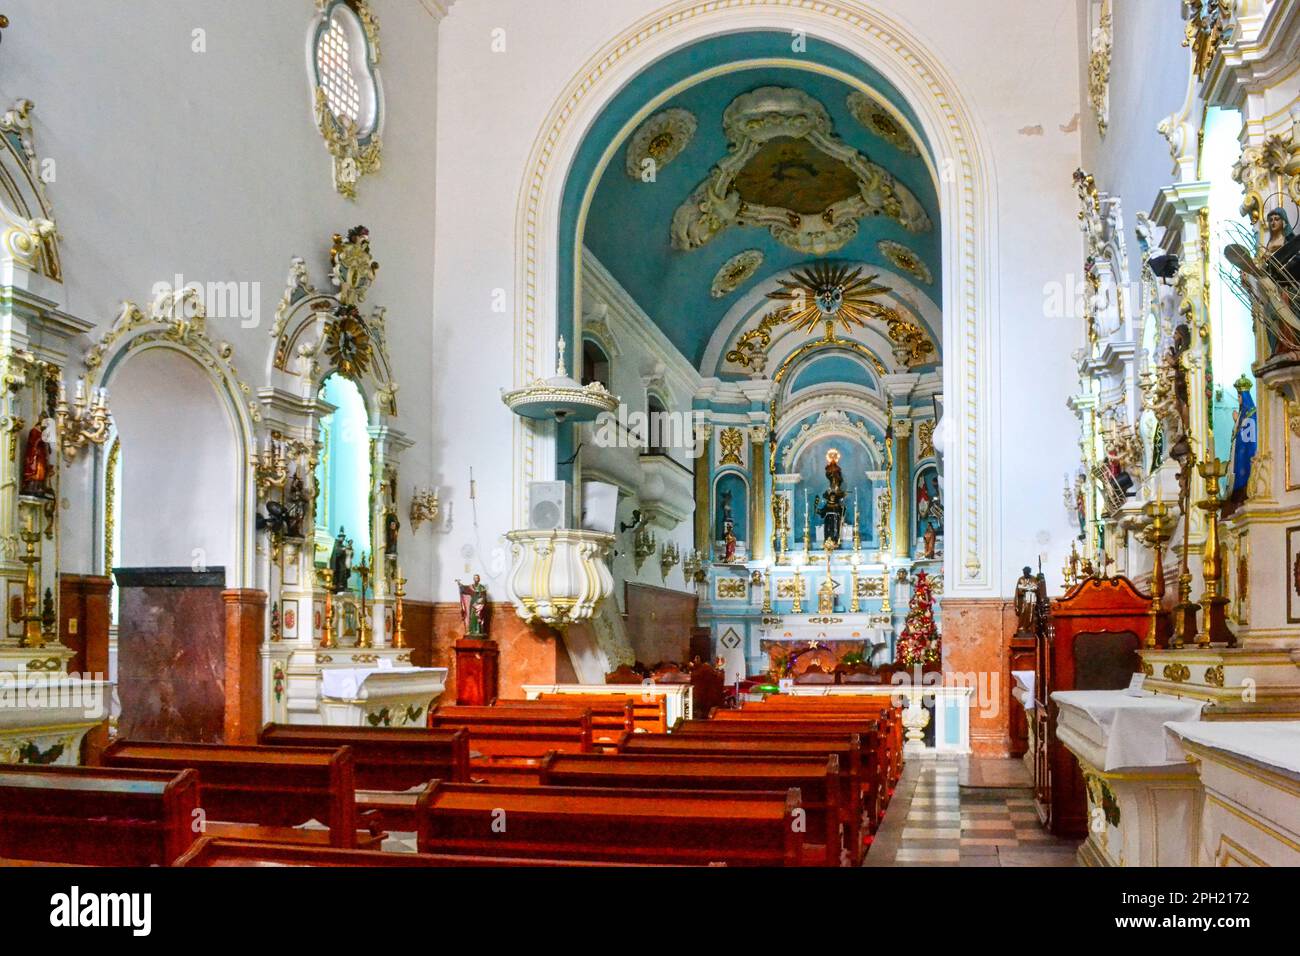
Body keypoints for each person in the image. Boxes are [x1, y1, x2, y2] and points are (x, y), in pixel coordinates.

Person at [1013, 565, 1040, 636]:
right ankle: (1022, 628)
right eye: (1024, 572)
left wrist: (1026, 588)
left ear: (1029, 572)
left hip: (1031, 601)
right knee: (1023, 613)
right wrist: (1026, 588)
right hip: (1023, 601)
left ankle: (1028, 628)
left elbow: (1036, 588)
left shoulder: (1033, 578)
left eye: (1027, 572)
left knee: (1031, 614)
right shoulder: (1021, 579)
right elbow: (1019, 590)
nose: (1025, 574)